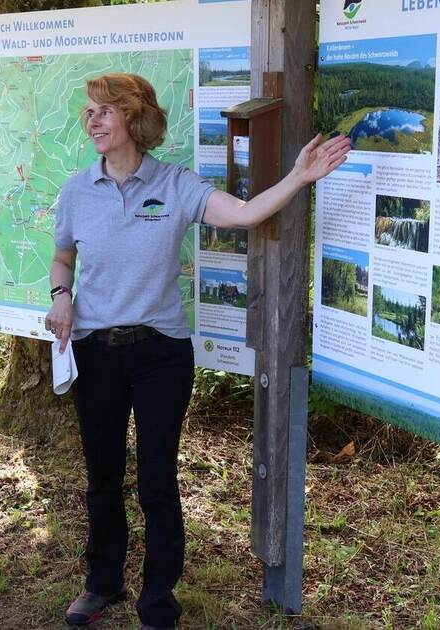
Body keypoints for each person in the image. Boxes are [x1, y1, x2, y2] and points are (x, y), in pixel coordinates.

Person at [43, 73, 349, 630]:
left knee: (157, 476)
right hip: (96, 352)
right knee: (103, 475)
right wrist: (61, 297)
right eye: (88, 112)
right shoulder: (75, 190)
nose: (93, 121)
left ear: (134, 117)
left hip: (161, 353)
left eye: (104, 111)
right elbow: (63, 257)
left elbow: (246, 214)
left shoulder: (176, 184)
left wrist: (300, 177)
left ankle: (158, 597)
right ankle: (103, 582)